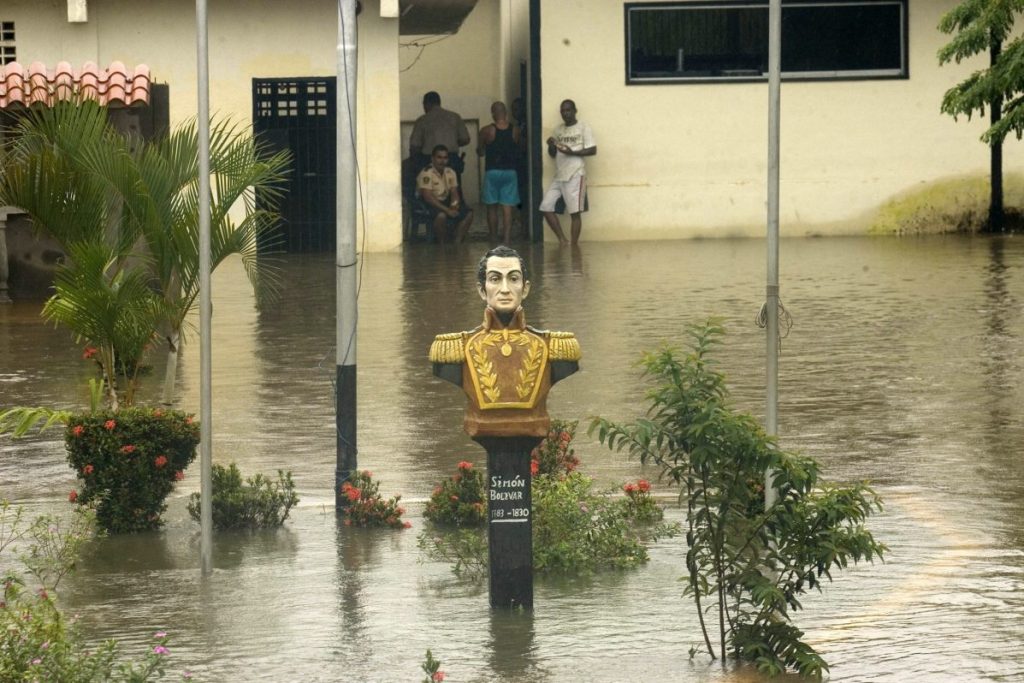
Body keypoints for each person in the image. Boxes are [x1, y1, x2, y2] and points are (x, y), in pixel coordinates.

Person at [429, 246, 580, 438]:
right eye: (495, 279)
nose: (505, 289)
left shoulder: (555, 347)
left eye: (513, 278)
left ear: (525, 289)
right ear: (482, 290)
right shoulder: (455, 349)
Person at [540, 99, 596, 245]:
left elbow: (592, 150)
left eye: (568, 110)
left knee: (574, 213)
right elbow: (552, 154)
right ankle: (563, 240)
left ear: (575, 110)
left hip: (576, 174)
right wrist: (551, 145)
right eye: (563, 111)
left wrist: (572, 152)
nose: (566, 113)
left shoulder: (583, 127)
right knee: (546, 207)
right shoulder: (558, 130)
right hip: (559, 175)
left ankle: (574, 245)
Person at [477, 101, 521, 244]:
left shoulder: (486, 130)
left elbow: (481, 151)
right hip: (510, 172)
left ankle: (493, 237)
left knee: (492, 207)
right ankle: (507, 239)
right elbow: (519, 148)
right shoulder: (516, 130)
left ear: (492, 113)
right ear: (506, 113)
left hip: (493, 172)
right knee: (507, 207)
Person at [409, 91, 471, 184]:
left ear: (427, 104)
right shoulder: (455, 117)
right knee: (454, 189)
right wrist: (452, 142)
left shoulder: (422, 120)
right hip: (451, 160)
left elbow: (415, 145)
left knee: (430, 191)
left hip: (429, 161)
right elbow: (465, 139)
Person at [417, 144, 474, 245]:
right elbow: (427, 196)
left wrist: (454, 206)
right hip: (430, 203)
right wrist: (447, 210)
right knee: (441, 216)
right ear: (432, 158)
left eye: (445, 158)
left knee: (468, 213)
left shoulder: (450, 172)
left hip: (445, 201)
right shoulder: (426, 172)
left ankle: (457, 242)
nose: (442, 161)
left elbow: (454, 192)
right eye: (439, 157)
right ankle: (442, 244)